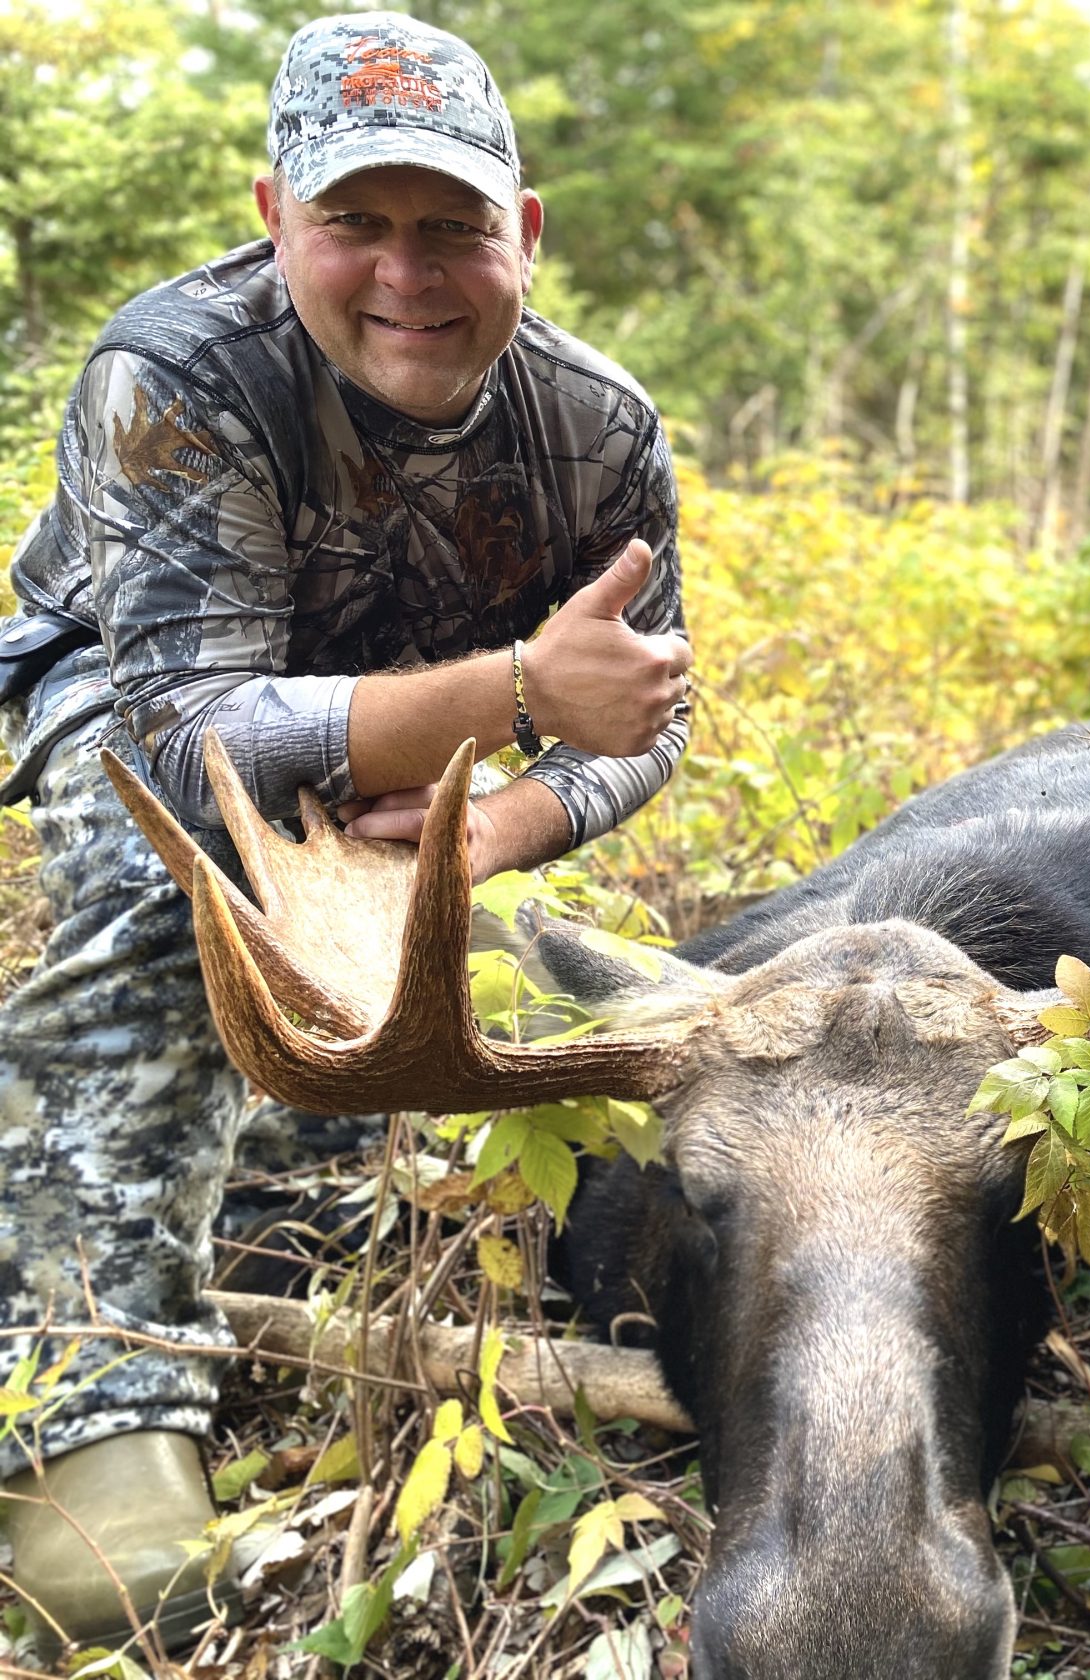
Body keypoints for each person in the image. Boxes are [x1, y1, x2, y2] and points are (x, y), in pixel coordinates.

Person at [0, 12, 692, 1656]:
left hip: (395, 730)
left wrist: (503, 825)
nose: (407, 275)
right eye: (354, 226)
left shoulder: (595, 428)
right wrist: (520, 684)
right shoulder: (174, 376)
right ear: (272, 220)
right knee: (171, 849)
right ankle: (95, 1401)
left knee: (436, 996)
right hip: (136, 695)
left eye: (449, 227)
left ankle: (269, 1206)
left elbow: (648, 714)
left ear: (520, 233)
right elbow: (185, 725)